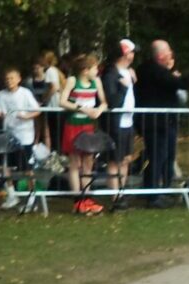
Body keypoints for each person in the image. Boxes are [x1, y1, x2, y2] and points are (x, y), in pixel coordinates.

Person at [135, 39, 189, 208]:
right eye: (168, 51)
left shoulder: (153, 70)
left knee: (166, 156)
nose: (171, 54)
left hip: (165, 120)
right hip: (155, 122)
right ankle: (153, 195)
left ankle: (160, 189)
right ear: (161, 55)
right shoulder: (154, 71)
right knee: (157, 157)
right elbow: (182, 84)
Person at [59, 54, 108, 216]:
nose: (97, 71)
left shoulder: (97, 82)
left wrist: (98, 111)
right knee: (74, 163)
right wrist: (82, 108)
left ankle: (87, 198)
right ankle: (77, 200)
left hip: (88, 125)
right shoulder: (73, 81)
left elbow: (104, 102)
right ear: (86, 70)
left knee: (88, 162)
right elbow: (63, 101)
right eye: (95, 68)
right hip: (73, 124)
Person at [0, 67, 41, 211]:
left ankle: (33, 197)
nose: (9, 81)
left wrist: (26, 116)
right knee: (4, 166)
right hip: (8, 135)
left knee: (26, 168)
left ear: (19, 79)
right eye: (7, 79)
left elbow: (37, 110)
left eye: (12, 78)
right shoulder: (1, 94)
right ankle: (12, 195)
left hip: (24, 135)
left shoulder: (25, 93)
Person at [101, 38, 138, 211]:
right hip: (115, 124)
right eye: (131, 51)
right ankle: (115, 195)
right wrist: (123, 87)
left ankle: (122, 191)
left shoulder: (129, 72)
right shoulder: (110, 74)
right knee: (114, 161)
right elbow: (113, 102)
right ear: (124, 54)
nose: (133, 55)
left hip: (128, 123)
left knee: (125, 159)